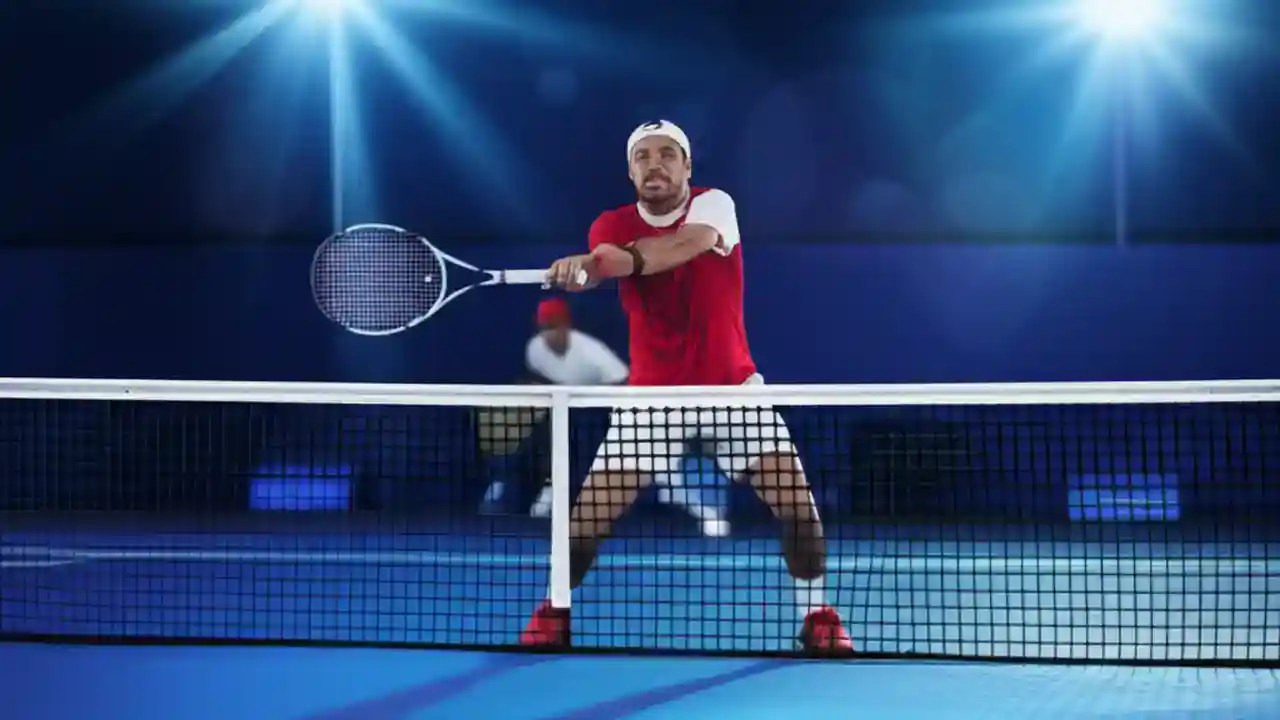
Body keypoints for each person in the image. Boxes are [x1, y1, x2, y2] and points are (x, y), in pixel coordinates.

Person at [524, 120, 852, 654]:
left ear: (687, 166)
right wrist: (591, 266)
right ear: (630, 171)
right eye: (644, 157)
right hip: (652, 400)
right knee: (584, 522)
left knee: (799, 508)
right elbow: (606, 258)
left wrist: (611, 262)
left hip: (733, 391)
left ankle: (817, 615)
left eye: (668, 154)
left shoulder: (714, 206)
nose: (656, 164)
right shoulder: (610, 222)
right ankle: (554, 610)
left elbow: (680, 248)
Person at [510, 298, 731, 537]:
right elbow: (545, 382)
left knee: (653, 456)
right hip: (571, 410)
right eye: (545, 328)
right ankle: (549, 491)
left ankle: (700, 509)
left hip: (615, 405)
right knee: (541, 444)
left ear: (566, 325)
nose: (549, 334)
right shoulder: (534, 350)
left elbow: (625, 383)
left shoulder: (593, 353)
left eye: (554, 326)